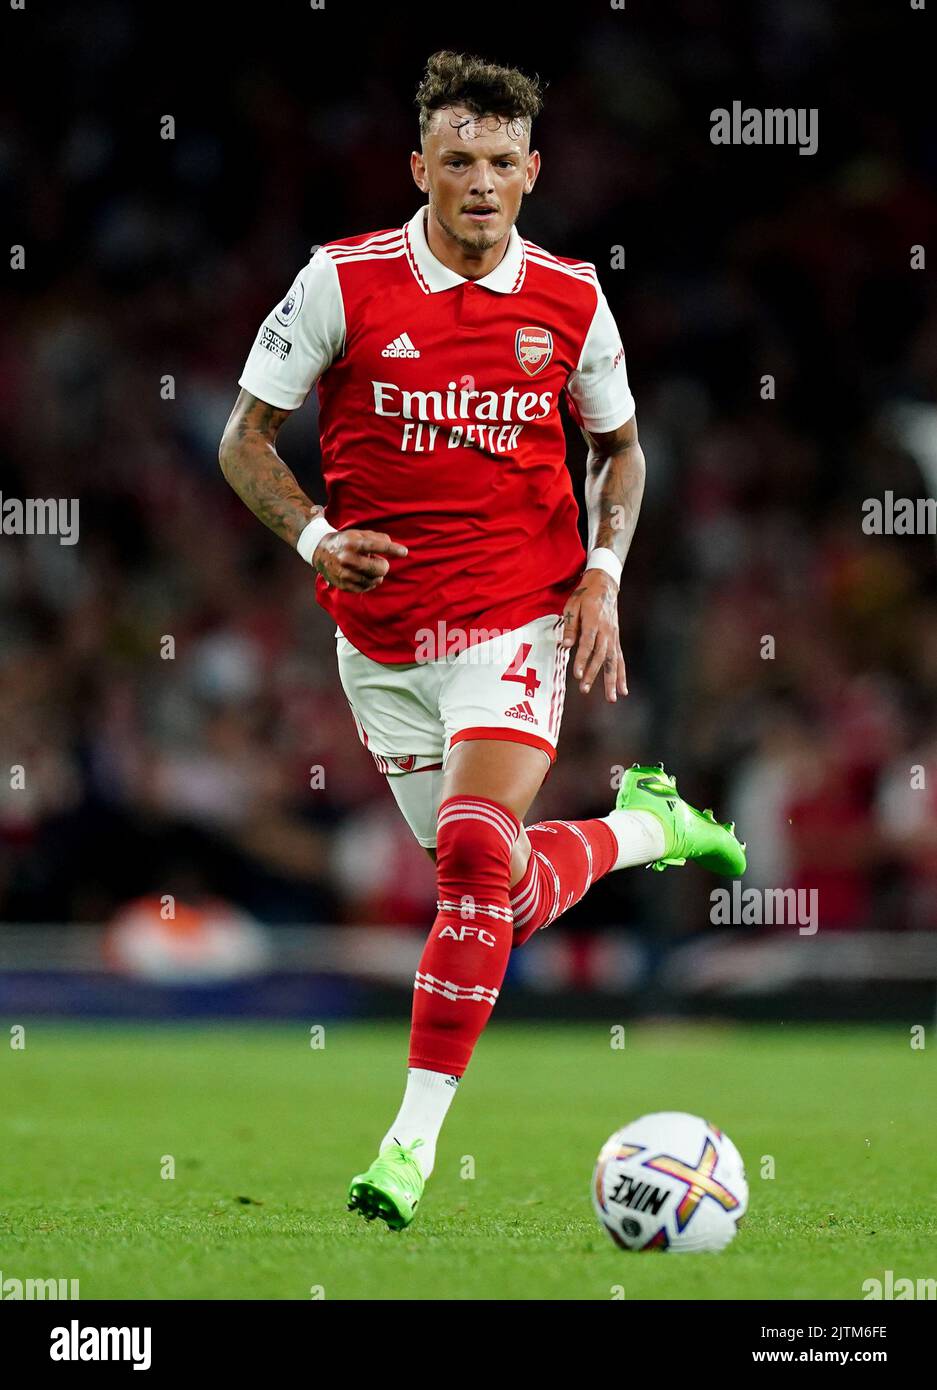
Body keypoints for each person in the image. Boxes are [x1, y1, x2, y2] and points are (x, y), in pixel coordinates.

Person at [219, 49, 745, 1231]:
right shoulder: (341, 285)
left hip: (514, 618)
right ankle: (647, 824)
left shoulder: (569, 298)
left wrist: (601, 576)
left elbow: (620, 449)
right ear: (420, 166)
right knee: (490, 897)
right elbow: (243, 438)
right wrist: (311, 537)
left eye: (501, 162)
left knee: (467, 855)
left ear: (531, 172)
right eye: (456, 160)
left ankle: (405, 1149)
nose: (479, 182)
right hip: (380, 642)